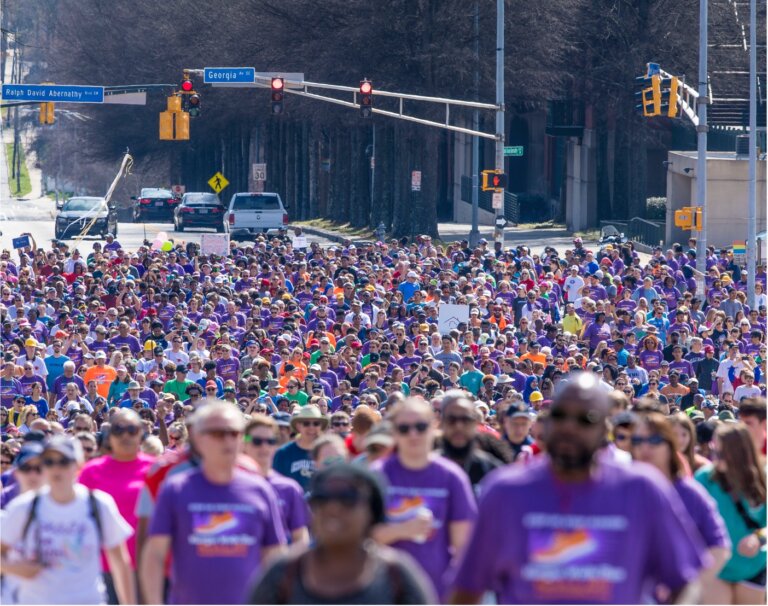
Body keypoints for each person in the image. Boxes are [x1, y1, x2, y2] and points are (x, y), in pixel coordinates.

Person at [449, 372, 708, 604]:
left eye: (585, 418)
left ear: (603, 428)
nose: (570, 427)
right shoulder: (505, 492)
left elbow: (686, 582)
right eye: (560, 416)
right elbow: (467, 589)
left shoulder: (642, 489)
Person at [140, 402, 286, 605]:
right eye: (218, 433)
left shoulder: (261, 490)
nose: (227, 440)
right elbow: (154, 553)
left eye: (234, 433)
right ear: (198, 439)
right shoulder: (175, 489)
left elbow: (275, 556)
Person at [248, 463, 436, 604]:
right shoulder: (282, 573)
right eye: (322, 498)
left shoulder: (397, 576)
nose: (333, 507)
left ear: (372, 512)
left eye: (347, 498)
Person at [0, 435, 135, 605]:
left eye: (63, 462)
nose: (56, 468)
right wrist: (17, 569)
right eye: (49, 462)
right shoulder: (24, 508)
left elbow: (120, 563)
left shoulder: (98, 504)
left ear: (78, 466)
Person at [371, 396, 477, 599]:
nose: (413, 434)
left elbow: (464, 547)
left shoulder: (451, 477)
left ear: (434, 427)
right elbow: (362, 538)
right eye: (404, 428)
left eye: (420, 426)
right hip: (385, 592)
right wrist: (402, 530)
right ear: (394, 432)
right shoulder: (377, 475)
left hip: (437, 592)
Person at [630, 412, 731, 601]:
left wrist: (690, 593)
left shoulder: (689, 492)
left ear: (670, 445)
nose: (644, 447)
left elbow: (719, 546)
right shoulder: (623, 489)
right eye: (637, 440)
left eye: (653, 439)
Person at [78, 409, 155, 604]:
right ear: (109, 436)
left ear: (141, 434)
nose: (126, 435)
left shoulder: (157, 469)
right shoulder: (91, 471)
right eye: (119, 429)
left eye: (132, 429)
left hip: (149, 565)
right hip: (102, 566)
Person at [695, 423, 767, 605]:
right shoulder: (704, 478)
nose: (715, 458)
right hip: (716, 566)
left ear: (740, 454)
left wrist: (759, 539)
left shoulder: (762, 478)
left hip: (753, 566)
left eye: (721, 454)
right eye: (714, 452)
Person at [243, 415, 310, 546]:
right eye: (257, 441)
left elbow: (301, 538)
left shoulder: (289, 488)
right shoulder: (230, 484)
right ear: (244, 443)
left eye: (270, 441)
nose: (264, 447)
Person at [437, 390, 503, 496]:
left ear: (475, 424)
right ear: (442, 423)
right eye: (452, 419)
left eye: (465, 419)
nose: (459, 426)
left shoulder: (492, 471)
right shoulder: (426, 468)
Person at [272, 405, 327, 492]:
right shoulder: (283, 453)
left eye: (316, 423)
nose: (311, 427)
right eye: (306, 423)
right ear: (298, 426)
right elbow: (276, 486)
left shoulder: (327, 453)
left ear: (320, 426)